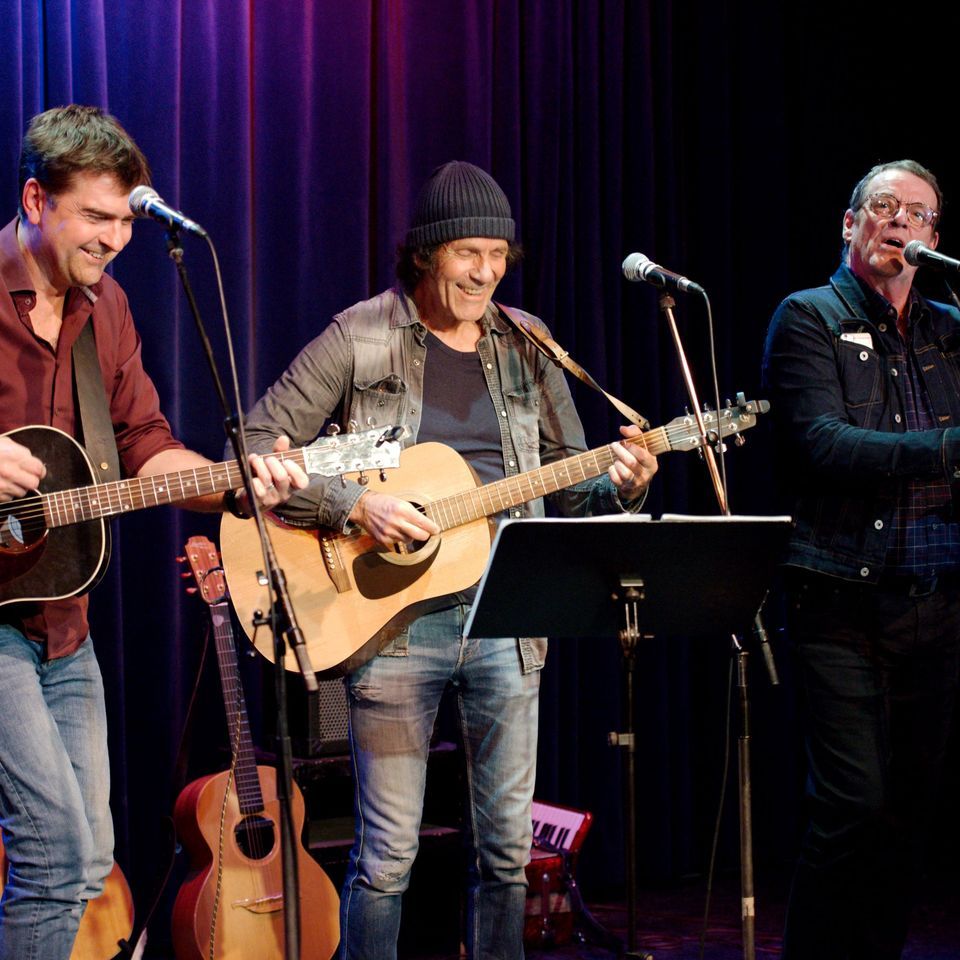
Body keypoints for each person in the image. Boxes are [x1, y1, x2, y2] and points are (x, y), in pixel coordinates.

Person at [239, 160, 658, 960]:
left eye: (499, 255)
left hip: (508, 614)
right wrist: (355, 506)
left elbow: (573, 493)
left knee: (505, 853)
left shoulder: (529, 342)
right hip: (393, 622)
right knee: (388, 857)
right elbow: (257, 447)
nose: (486, 271)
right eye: (470, 252)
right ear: (428, 252)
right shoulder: (359, 335)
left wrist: (623, 484)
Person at [0, 105, 308, 960]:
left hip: (63, 621)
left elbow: (145, 447)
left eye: (126, 220)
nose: (114, 238)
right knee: (59, 852)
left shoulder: (108, 308)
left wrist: (236, 489)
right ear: (35, 199)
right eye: (95, 217)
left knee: (89, 856)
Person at [762, 159, 960, 959]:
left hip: (938, 602)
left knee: (909, 811)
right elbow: (822, 444)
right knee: (852, 805)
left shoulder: (950, 324)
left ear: (934, 240)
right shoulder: (807, 316)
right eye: (883, 207)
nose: (899, 223)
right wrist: (949, 449)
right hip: (840, 600)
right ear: (851, 225)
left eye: (917, 214)